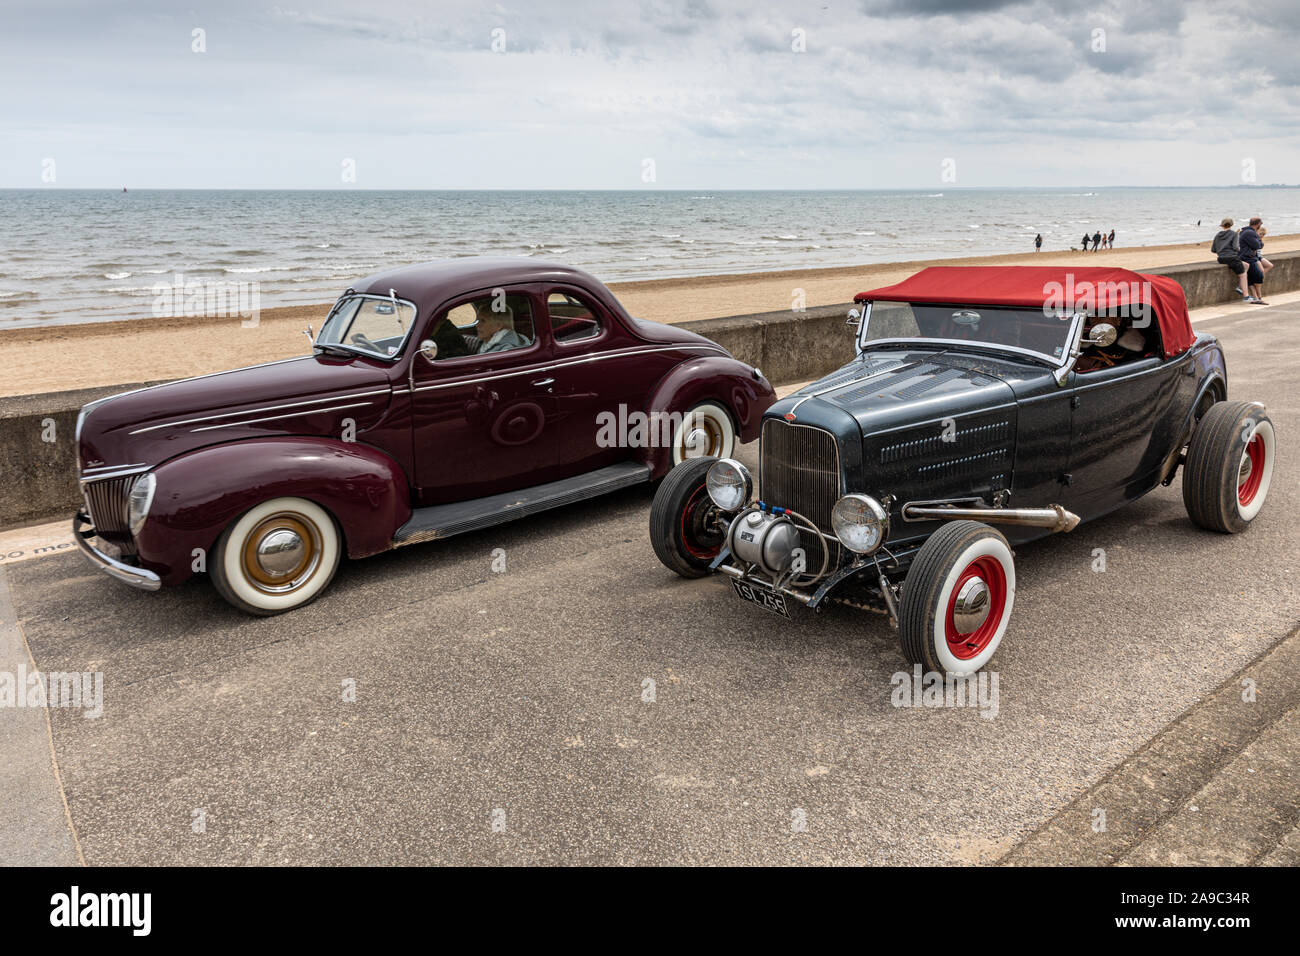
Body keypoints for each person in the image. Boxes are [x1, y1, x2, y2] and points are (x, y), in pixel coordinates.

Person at [1211, 218, 1252, 301]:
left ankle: (1240, 287)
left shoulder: (1217, 235)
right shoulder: (1234, 234)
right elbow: (1235, 247)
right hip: (1232, 257)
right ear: (1231, 225)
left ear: (1222, 225)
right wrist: (1240, 250)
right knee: (1243, 275)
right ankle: (1246, 296)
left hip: (1221, 258)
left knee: (1246, 265)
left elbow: (1213, 250)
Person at [1239, 217, 1268, 305]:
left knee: (1252, 278)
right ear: (1258, 224)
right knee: (1259, 276)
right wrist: (1259, 242)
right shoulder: (1250, 232)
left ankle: (1257, 298)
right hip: (1248, 258)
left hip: (1247, 257)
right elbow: (1257, 245)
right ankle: (1257, 298)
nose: (1261, 225)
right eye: (1261, 224)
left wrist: (1259, 243)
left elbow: (1258, 245)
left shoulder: (1247, 231)